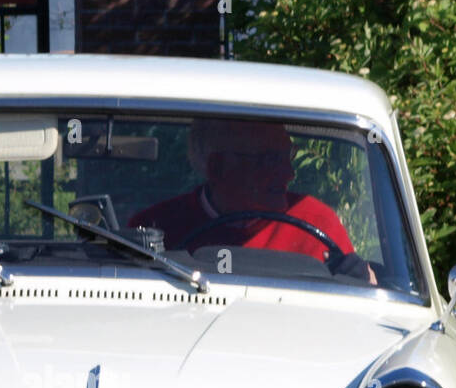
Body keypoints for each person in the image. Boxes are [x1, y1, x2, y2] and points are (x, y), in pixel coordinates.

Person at [129, 119, 375, 283]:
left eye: (287, 156)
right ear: (218, 167)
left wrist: (363, 277)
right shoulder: (155, 228)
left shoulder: (318, 223)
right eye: (269, 160)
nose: (289, 173)